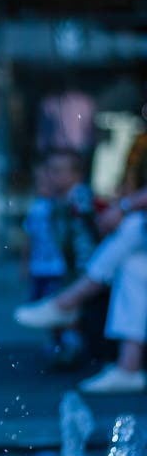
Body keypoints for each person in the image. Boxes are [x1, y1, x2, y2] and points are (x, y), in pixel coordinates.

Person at [15, 137, 147, 393]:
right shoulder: (49, 203)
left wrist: (124, 206)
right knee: (133, 266)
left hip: (82, 264)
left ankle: (68, 302)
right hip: (72, 265)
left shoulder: (80, 199)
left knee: (134, 227)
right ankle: (128, 368)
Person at [21, 163, 73, 363]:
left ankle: (67, 341)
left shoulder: (60, 205)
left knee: (56, 305)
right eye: (39, 182)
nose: (42, 185)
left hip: (57, 267)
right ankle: (56, 341)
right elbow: (29, 237)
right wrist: (25, 263)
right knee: (42, 303)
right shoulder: (35, 208)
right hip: (39, 267)